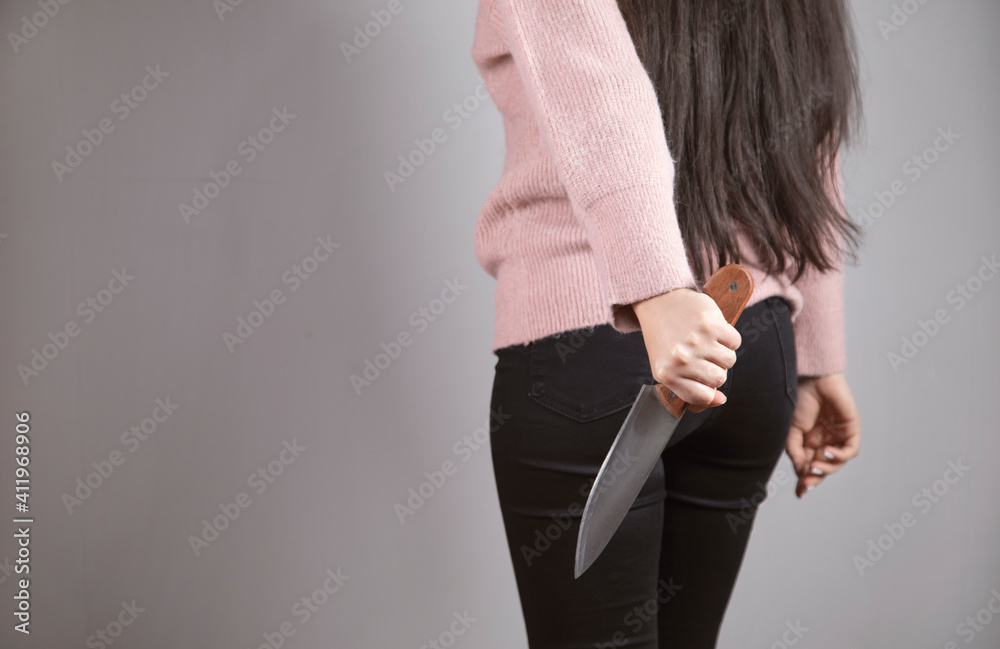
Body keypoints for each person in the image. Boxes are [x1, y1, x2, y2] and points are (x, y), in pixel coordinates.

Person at [471, 0, 863, 646]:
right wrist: (820, 350)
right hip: (751, 348)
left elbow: (594, 81)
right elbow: (810, 116)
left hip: (598, 343)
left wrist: (656, 290)